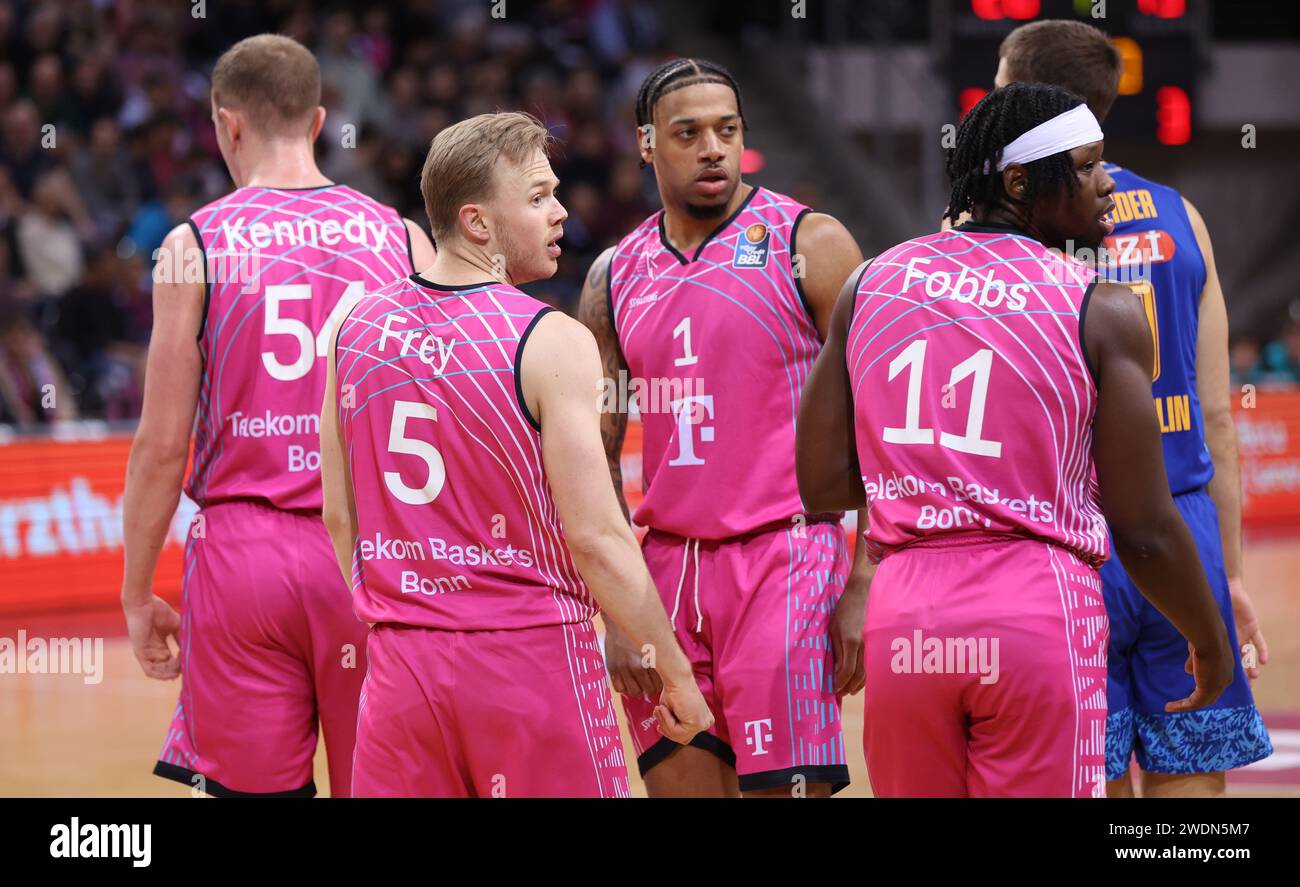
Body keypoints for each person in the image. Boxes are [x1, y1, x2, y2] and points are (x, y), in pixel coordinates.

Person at [798, 83, 1234, 797]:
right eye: (1088, 166)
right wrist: (1208, 636)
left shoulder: (870, 283)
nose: (1106, 185)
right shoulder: (1098, 305)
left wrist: (926, 472)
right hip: (1033, 610)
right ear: (1020, 181)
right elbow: (1145, 525)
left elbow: (820, 485)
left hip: (907, 618)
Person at [319, 111, 712, 797]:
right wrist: (674, 668)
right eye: (537, 198)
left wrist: (402, 612)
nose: (561, 211)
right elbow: (595, 539)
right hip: (529, 663)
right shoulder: (551, 339)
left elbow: (337, 515)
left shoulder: (352, 327)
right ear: (477, 222)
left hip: (400, 671)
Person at [120, 34, 435, 797]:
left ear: (227, 125)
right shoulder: (405, 239)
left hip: (244, 561)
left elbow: (163, 446)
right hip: (372, 553)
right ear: (320, 118)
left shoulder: (192, 245)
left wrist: (135, 594)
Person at [994, 19, 1272, 797]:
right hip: (1183, 535)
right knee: (1189, 789)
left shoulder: (992, 242)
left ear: (1018, 98)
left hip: (1064, 539)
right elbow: (1216, 419)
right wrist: (1231, 576)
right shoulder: (1185, 218)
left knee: (1090, 777)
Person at [579, 58, 871, 797]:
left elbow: (882, 414)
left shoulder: (814, 242)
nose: (713, 147)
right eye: (689, 133)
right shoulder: (613, 274)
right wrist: (618, 609)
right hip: (665, 575)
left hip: (786, 558)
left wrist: (865, 576)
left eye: (727, 130)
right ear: (647, 144)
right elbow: (597, 455)